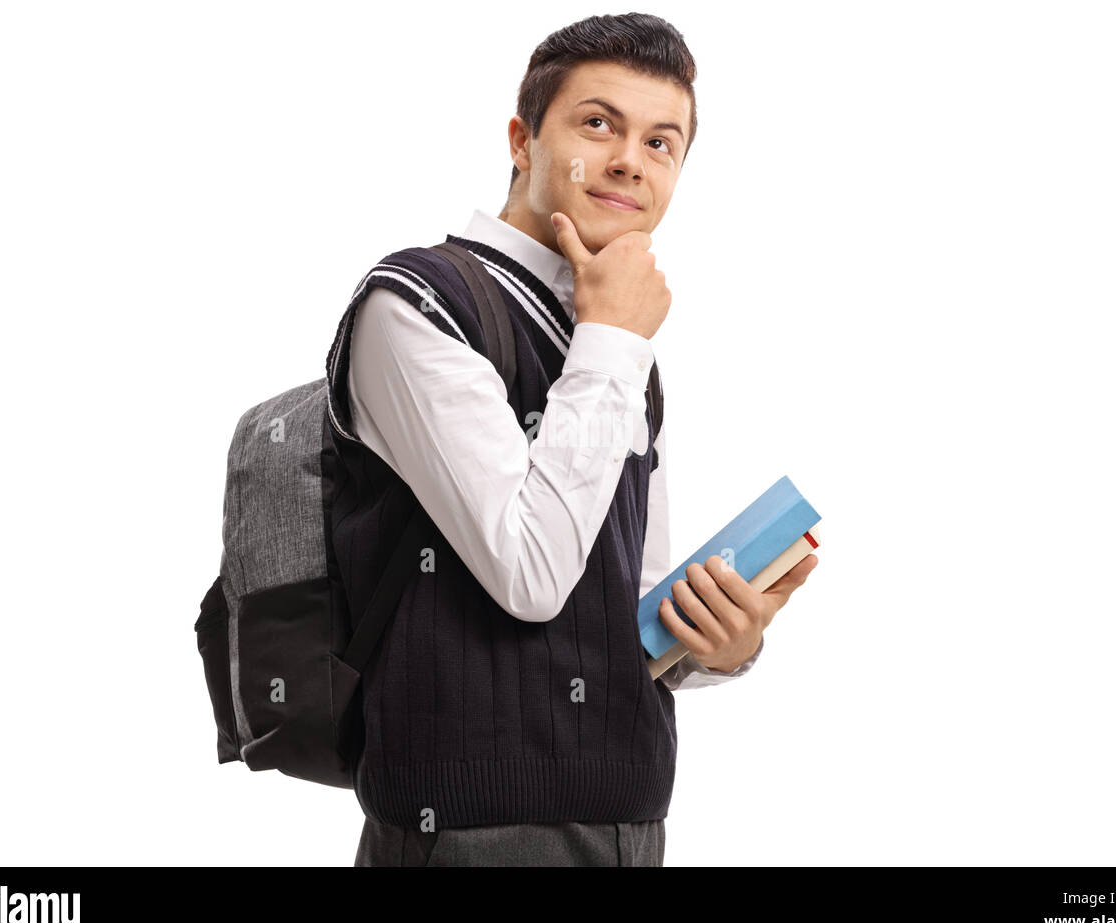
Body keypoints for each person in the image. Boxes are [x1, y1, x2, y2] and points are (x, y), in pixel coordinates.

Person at [335, 12, 818, 867]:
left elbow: (626, 614)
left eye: (663, 142)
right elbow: (529, 577)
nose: (633, 158)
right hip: (469, 833)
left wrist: (724, 647)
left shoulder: (613, 338)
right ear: (523, 140)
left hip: (630, 819)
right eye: (599, 123)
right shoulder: (417, 303)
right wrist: (614, 341)